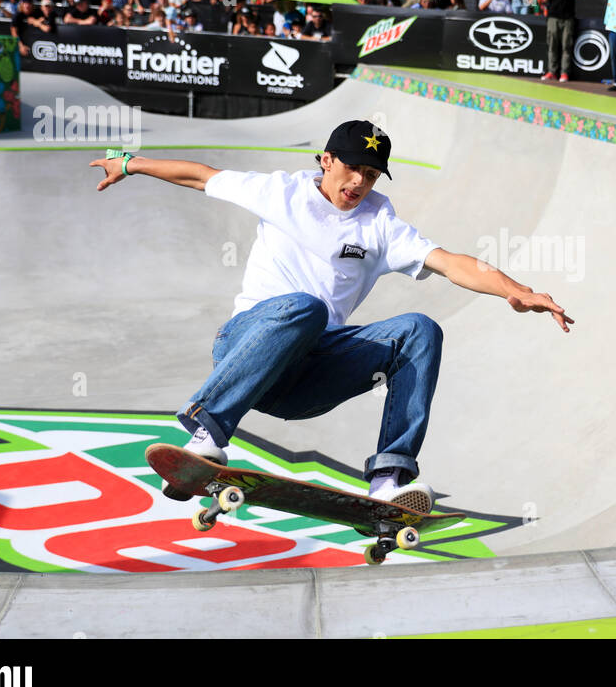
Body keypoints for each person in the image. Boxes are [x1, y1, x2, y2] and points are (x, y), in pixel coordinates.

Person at [87, 121, 573, 513]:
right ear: (326, 160)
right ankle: (207, 432)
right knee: (306, 306)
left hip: (307, 379)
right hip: (246, 346)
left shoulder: (381, 223)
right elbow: (201, 176)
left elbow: (450, 262)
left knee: (419, 331)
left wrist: (516, 290)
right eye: (352, 168)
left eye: (372, 173)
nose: (359, 182)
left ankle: (389, 481)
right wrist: (131, 164)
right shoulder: (281, 192)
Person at [541, 0, 581, 83]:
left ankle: (564, 72)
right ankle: (552, 71)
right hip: (553, 15)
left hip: (568, 16)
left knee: (566, 46)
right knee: (552, 44)